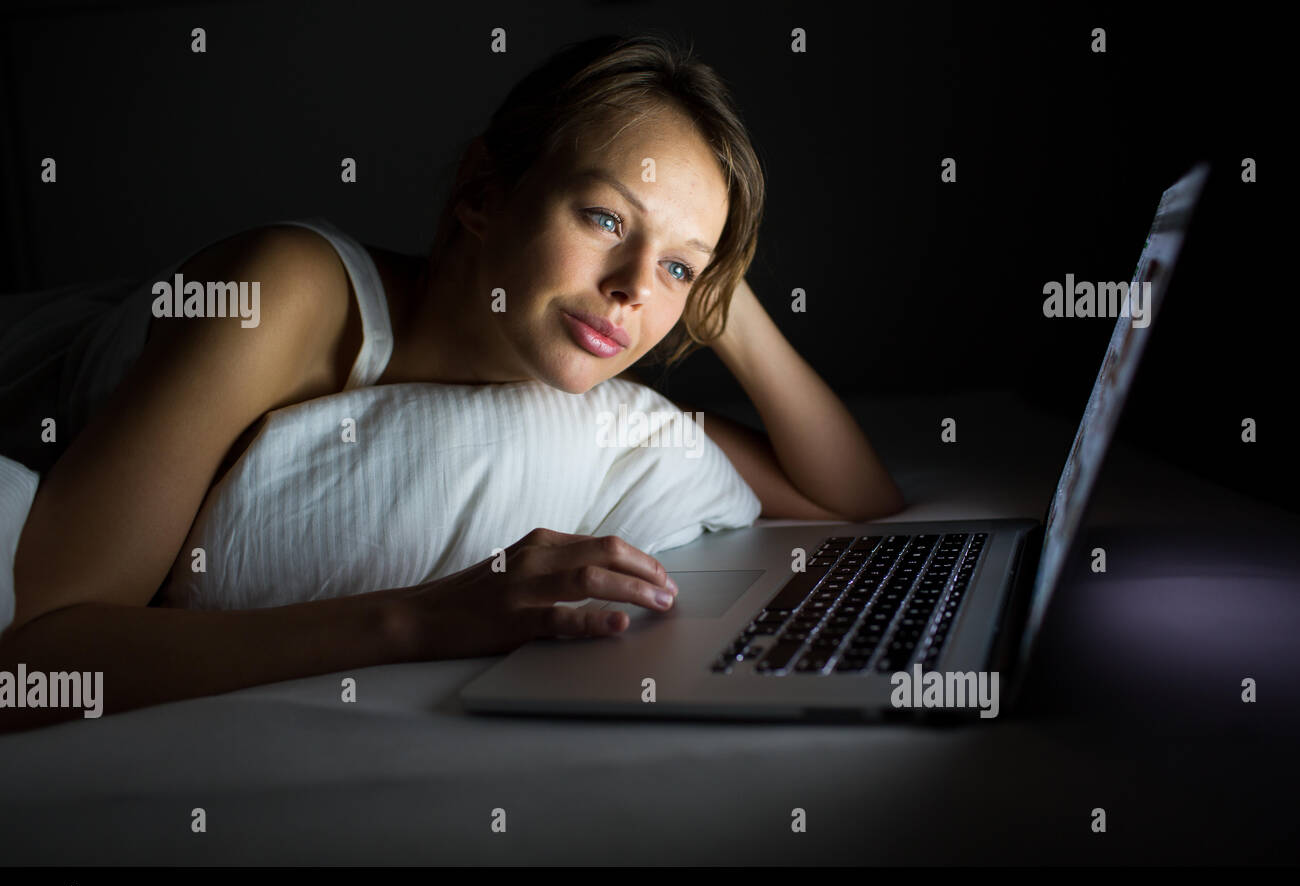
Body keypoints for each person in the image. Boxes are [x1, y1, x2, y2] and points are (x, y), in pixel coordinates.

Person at [0, 33, 903, 732]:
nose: (631, 286)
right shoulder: (278, 295)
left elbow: (853, 498)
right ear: (482, 192)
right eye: (603, 217)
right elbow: (39, 652)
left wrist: (719, 293)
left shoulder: (581, 376)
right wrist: (423, 621)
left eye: (676, 271)